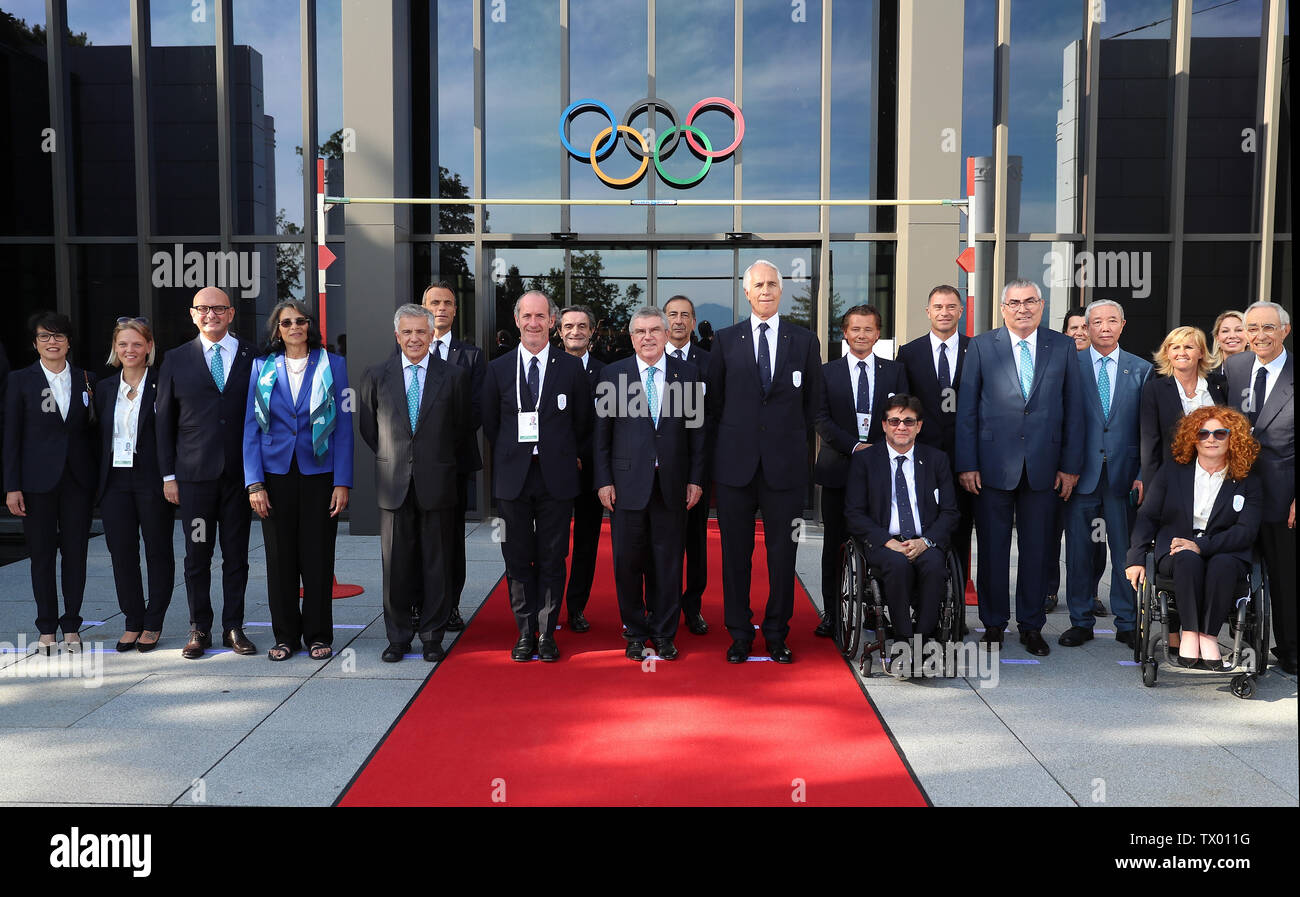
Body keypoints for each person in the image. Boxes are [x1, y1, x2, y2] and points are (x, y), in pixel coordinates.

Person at [955, 279, 1083, 657]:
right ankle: (993, 624)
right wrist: (967, 463)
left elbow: (1074, 409)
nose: (1022, 308)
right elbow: (967, 411)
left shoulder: (1061, 346)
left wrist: (1070, 466)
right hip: (992, 467)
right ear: (1002, 308)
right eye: (1014, 302)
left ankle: (1031, 626)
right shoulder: (981, 346)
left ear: (1041, 306)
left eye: (1030, 302)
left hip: (1045, 468)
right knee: (992, 550)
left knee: (1038, 551)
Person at [706, 260, 822, 664]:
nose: (767, 290)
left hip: (784, 470)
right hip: (736, 469)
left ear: (782, 289)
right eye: (759, 285)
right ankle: (739, 633)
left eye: (773, 283)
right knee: (735, 556)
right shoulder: (724, 340)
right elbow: (714, 404)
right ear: (746, 291)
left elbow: (812, 407)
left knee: (782, 555)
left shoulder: (805, 341)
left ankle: (776, 633)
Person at [359, 304, 478, 663]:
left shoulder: (454, 376)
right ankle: (397, 637)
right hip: (393, 482)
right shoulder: (376, 374)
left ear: (431, 336)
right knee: (396, 565)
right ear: (397, 336)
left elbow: (462, 427)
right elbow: (369, 428)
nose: (414, 338)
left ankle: (431, 636)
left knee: (436, 564)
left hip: (438, 482)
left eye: (421, 332)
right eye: (407, 332)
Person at [482, 290, 593, 662]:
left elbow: (581, 422)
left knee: (551, 556)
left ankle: (547, 633)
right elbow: (491, 423)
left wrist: (563, 454)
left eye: (540, 316)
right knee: (516, 557)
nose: (533, 323)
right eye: (527, 316)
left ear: (552, 323)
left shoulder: (571, 368)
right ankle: (524, 631)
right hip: (513, 479)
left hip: (556, 479)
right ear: (517, 321)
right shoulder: (497, 369)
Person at [594, 306, 705, 661]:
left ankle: (664, 632)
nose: (648, 337)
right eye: (640, 331)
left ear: (665, 333)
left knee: (668, 562)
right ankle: (635, 632)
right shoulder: (614, 375)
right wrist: (603, 481)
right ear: (631, 337)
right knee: (627, 562)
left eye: (654, 330)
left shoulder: (687, 374)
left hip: (672, 484)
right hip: (626, 486)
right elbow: (601, 437)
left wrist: (696, 479)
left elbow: (698, 434)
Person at [244, 300, 353, 661]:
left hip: (319, 473)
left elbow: (344, 430)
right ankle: (285, 636)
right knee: (280, 559)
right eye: (286, 322)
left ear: (309, 326)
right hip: (274, 476)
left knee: (318, 557)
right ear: (277, 329)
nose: (294, 327)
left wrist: (343, 481)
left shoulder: (333, 365)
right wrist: (254, 483)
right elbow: (250, 429)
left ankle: (319, 634)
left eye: (300, 321)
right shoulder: (262, 367)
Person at [156, 286, 258, 659]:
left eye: (218, 308)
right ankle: (199, 627)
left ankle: (234, 626)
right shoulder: (175, 359)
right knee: (197, 556)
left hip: (238, 479)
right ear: (192, 314)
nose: (211, 314)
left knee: (236, 555)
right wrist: (168, 476)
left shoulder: (253, 356)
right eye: (203, 308)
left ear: (231, 313)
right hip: (195, 480)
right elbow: (163, 424)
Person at [1125, 407, 1262, 670]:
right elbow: (1148, 517)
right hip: (1177, 550)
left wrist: (1201, 545)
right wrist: (1135, 558)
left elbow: (1246, 531)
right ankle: (1189, 632)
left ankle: (1208, 636)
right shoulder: (1172, 473)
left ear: (1233, 438)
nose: (1211, 439)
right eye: (1203, 433)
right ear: (1193, 438)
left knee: (1222, 564)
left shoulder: (1248, 480)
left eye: (1220, 433)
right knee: (1187, 559)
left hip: (1228, 550)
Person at [1059, 299, 1152, 649]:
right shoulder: (1071, 364)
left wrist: (1143, 472)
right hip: (1079, 474)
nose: (1105, 327)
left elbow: (1148, 429)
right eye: (1097, 322)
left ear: (1123, 325)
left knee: (1125, 552)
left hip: (1124, 476)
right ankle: (1080, 620)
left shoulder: (1140, 369)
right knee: (1080, 552)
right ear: (1087, 327)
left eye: (1112, 321)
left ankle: (1127, 622)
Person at [4, 312, 98, 654]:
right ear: (35, 343)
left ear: (69, 342)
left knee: (76, 554)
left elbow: (94, 434)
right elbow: (11, 437)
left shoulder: (87, 378)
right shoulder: (20, 381)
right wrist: (12, 486)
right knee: (41, 557)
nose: (52, 342)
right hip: (35, 483)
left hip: (77, 481)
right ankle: (46, 627)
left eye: (59, 336)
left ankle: (71, 625)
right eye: (45, 337)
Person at [814, 304, 908, 639]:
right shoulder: (827, 372)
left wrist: (879, 448)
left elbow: (900, 416)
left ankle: (875, 610)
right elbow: (821, 419)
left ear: (878, 333)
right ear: (844, 332)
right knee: (835, 546)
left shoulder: (894, 372)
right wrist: (855, 446)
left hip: (881, 473)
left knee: (880, 542)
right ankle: (832, 613)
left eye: (868, 329)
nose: (862, 335)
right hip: (839, 469)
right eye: (855, 329)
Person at [844, 394, 959, 643]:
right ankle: (904, 639)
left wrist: (926, 542)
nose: (901, 427)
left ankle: (924, 637)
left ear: (919, 426)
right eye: (894, 421)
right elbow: (854, 513)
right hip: (884, 542)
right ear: (884, 425)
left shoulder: (936, 460)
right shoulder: (865, 461)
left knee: (934, 567)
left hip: (924, 540)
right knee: (897, 565)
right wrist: (888, 542)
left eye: (908, 421)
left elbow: (950, 511)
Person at [1223, 301, 1294, 674]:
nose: (1259, 336)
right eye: (1252, 329)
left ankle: (1290, 650)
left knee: (1285, 577)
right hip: (1236, 490)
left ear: (1285, 330)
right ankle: (1242, 644)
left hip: (1284, 495)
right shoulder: (1234, 367)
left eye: (1268, 328)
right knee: (1236, 569)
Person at [95, 317, 174, 652]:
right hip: (115, 480)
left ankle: (153, 622)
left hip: (151, 478)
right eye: (123, 344)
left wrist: (172, 477)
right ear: (115, 348)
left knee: (158, 551)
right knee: (121, 553)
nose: (130, 350)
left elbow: (173, 435)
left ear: (149, 348)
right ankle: (132, 620)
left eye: (137, 344)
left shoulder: (164, 384)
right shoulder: (103, 387)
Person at [897, 285, 972, 606]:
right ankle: (921, 601)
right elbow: (903, 409)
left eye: (951, 306)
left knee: (960, 528)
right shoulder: (909, 353)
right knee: (920, 527)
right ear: (928, 312)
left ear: (960, 311)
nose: (944, 312)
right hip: (922, 458)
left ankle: (953, 602)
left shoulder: (977, 349)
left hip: (966, 458)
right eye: (938, 307)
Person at [422, 281, 486, 633]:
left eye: (447, 303)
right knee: (417, 536)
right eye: (434, 302)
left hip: (454, 462)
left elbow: (474, 410)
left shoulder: (471, 356)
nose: (441, 308)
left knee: (450, 537)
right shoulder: (407, 347)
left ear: (455, 310)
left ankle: (450, 606)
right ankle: (419, 604)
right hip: (414, 465)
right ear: (424, 306)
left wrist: (439, 440)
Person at [1044, 308, 1105, 615]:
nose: (1080, 332)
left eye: (1085, 326)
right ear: (1064, 332)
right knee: (1050, 534)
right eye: (1073, 327)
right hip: (1057, 467)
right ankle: (1049, 590)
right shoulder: (1055, 364)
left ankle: (1091, 592)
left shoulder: (1102, 367)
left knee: (1095, 538)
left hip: (1094, 469)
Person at [664, 294, 712, 635]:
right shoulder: (643, 359)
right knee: (659, 543)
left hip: (695, 469)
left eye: (685, 315)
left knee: (695, 542)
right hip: (654, 471)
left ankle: (692, 607)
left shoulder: (709, 364)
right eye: (672, 315)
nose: (678, 321)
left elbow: (713, 417)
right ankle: (658, 606)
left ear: (693, 323)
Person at [558, 304, 605, 633]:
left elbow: (607, 425)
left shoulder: (608, 373)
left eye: (582, 326)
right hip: (554, 472)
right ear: (558, 331)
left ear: (591, 332)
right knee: (553, 543)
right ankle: (547, 607)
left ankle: (576, 608)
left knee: (586, 545)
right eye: (568, 326)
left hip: (591, 472)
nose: (575, 331)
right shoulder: (547, 367)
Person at [1140, 325, 1227, 486]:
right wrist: (1151, 488)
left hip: (1217, 478)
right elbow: (1150, 444)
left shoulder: (1220, 385)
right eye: (1175, 347)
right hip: (1173, 480)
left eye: (1188, 347)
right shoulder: (1154, 390)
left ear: (1201, 352)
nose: (1182, 352)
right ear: (1167, 353)